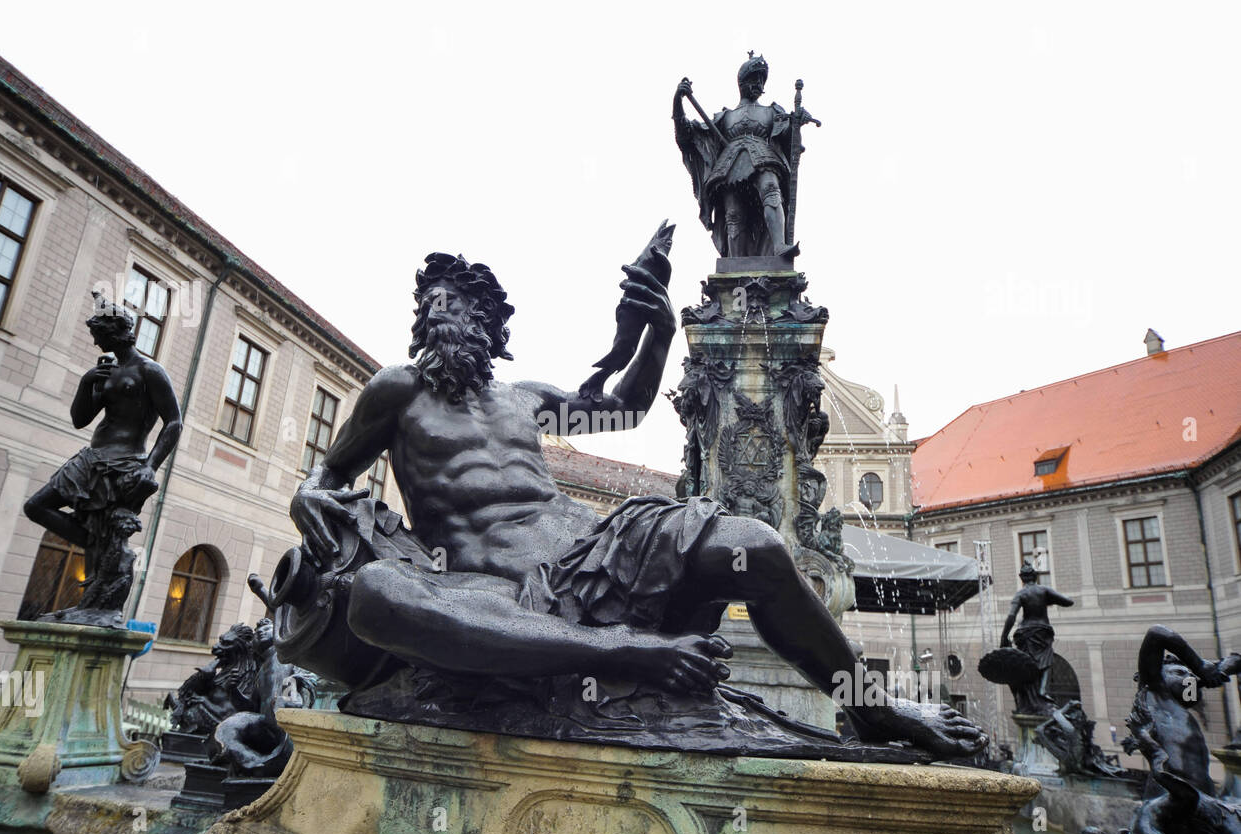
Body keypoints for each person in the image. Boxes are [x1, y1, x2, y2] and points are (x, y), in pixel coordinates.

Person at [287, 241, 986, 758]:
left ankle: (868, 706)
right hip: (500, 595)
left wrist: (655, 329)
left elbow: (621, 407)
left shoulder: (522, 399)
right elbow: (326, 477)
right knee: (376, 594)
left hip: (599, 558)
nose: (439, 312)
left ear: (488, 327)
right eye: (429, 304)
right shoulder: (396, 391)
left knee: (759, 548)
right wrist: (307, 498)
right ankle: (620, 651)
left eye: (456, 304)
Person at [23, 292, 181, 620]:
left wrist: (150, 467)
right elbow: (81, 419)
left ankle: (97, 603)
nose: (95, 342)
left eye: (97, 334)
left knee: (111, 532)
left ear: (113, 332)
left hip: (126, 463)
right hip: (92, 458)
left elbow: (175, 422)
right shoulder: (107, 370)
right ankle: (97, 548)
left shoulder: (150, 370)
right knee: (36, 506)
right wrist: (86, 384)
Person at [1081, 626, 1241, 834]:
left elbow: (1231, 664)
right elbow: (1156, 634)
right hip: (1172, 799)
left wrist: (1223, 666)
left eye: (1188, 673)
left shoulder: (1176, 709)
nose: (1188, 678)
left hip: (1200, 799)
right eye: (1179, 671)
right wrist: (1199, 665)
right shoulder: (1154, 692)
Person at [673, 54, 817, 258]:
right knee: (733, 213)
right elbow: (687, 134)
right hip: (729, 166)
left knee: (770, 188)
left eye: (761, 80)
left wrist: (797, 123)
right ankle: (735, 262)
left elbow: (789, 141)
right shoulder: (725, 117)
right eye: (754, 79)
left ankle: (779, 247)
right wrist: (678, 101)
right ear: (741, 82)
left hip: (763, 157)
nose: (758, 84)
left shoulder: (772, 111)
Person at [999, 560, 1074, 715]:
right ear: (1035, 576)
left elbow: (1011, 616)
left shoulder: (1021, 594)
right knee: (1046, 662)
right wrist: (1048, 599)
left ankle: (1029, 700)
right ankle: (1042, 693)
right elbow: (1068, 602)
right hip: (1042, 631)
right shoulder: (1043, 590)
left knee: (1028, 666)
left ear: (1022, 578)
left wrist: (1004, 635)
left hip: (1025, 634)